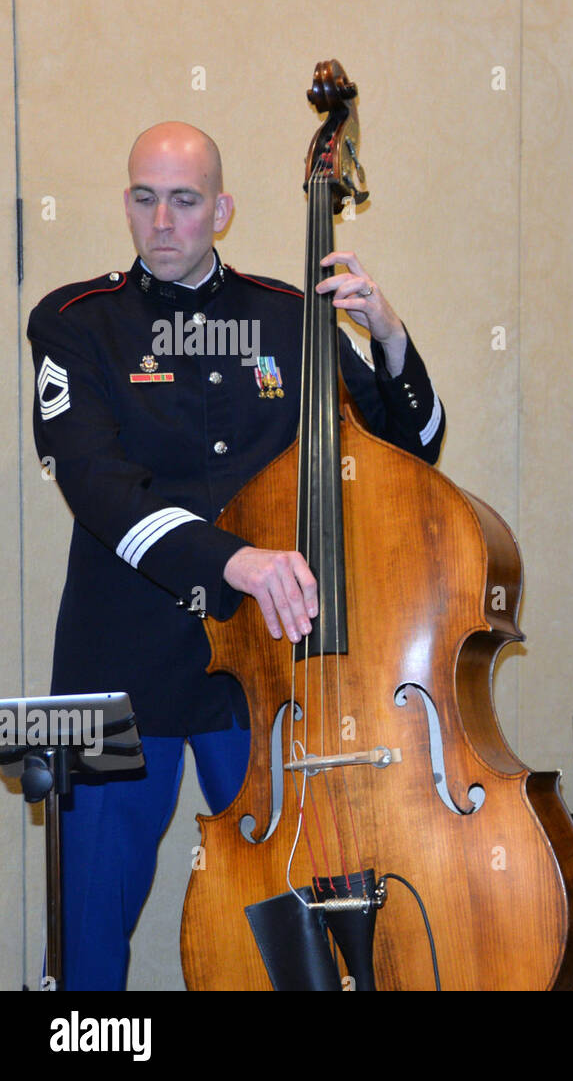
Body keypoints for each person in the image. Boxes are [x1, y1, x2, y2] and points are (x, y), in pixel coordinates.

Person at [28, 121, 446, 990]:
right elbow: (99, 488)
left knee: (295, 909)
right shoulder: (74, 323)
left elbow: (410, 454)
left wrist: (391, 338)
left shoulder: (290, 319)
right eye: (144, 198)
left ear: (221, 210)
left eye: (184, 201)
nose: (162, 222)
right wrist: (236, 561)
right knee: (88, 929)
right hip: (112, 673)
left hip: (262, 671)